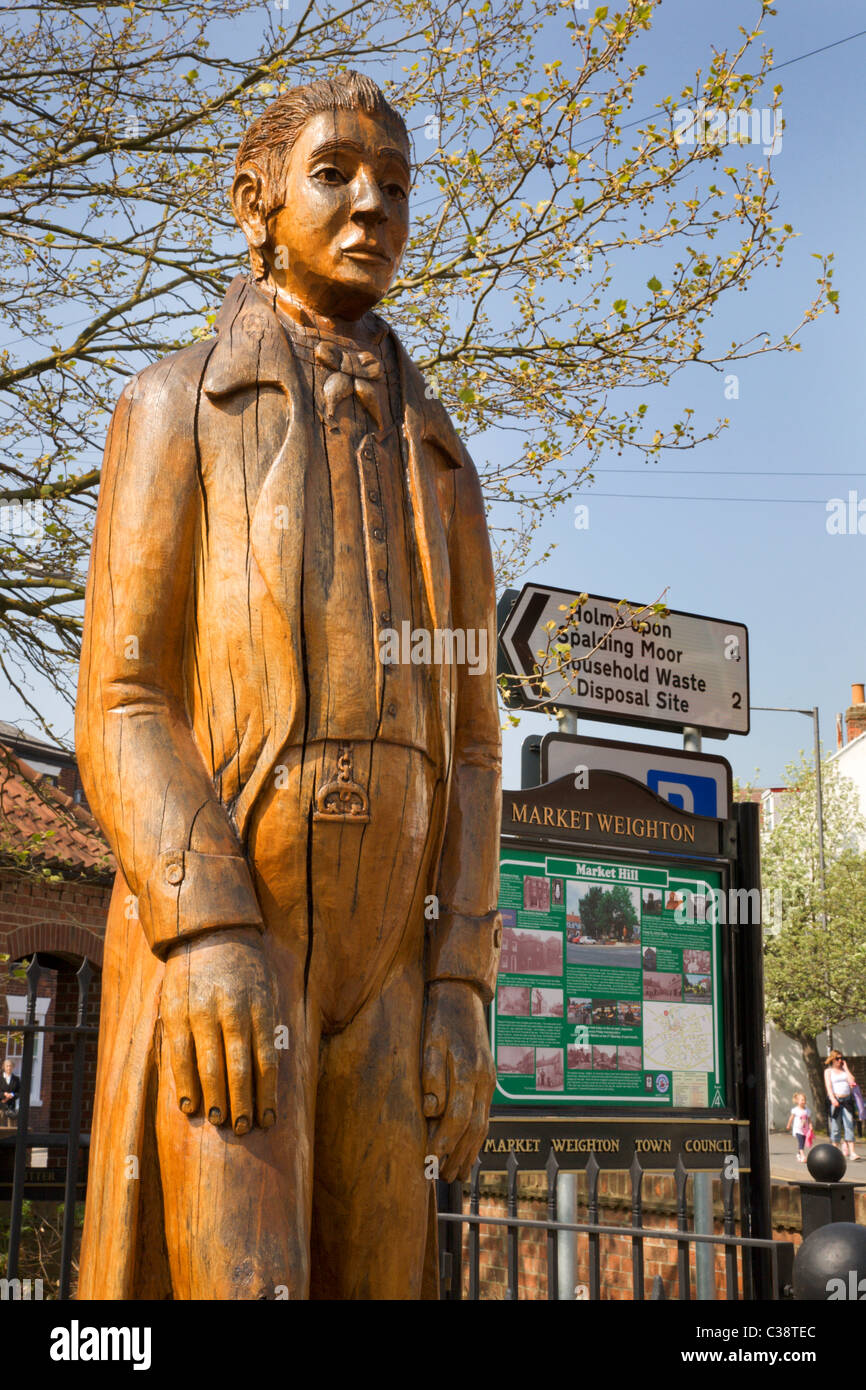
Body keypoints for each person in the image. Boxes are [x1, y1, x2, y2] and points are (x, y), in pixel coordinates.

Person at [75, 71, 501, 1301]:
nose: (372, 204)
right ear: (253, 203)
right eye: (334, 174)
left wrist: (462, 978)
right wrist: (206, 924)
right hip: (238, 928)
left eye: (396, 184)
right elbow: (120, 698)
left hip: (391, 965)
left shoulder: (444, 462)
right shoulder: (173, 407)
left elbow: (475, 744)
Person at [824, 1049, 860, 1160]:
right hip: (836, 1100)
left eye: (841, 1058)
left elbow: (852, 1081)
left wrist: (846, 1068)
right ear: (832, 1059)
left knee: (849, 1125)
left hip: (847, 1100)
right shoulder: (828, 1071)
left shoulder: (845, 1072)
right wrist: (832, 1098)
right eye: (837, 1058)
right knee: (835, 1127)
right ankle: (834, 1151)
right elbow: (828, 1086)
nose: (840, 1060)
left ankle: (852, 1152)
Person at [786, 1091, 811, 1163]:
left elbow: (809, 1119)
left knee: (802, 1143)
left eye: (804, 1100)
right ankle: (803, 1156)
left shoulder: (807, 1110)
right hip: (797, 1130)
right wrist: (788, 1125)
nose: (803, 1101)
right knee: (800, 1142)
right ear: (797, 1101)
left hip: (805, 1130)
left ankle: (798, 1154)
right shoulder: (795, 1110)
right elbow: (791, 1118)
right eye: (802, 1100)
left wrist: (810, 1126)